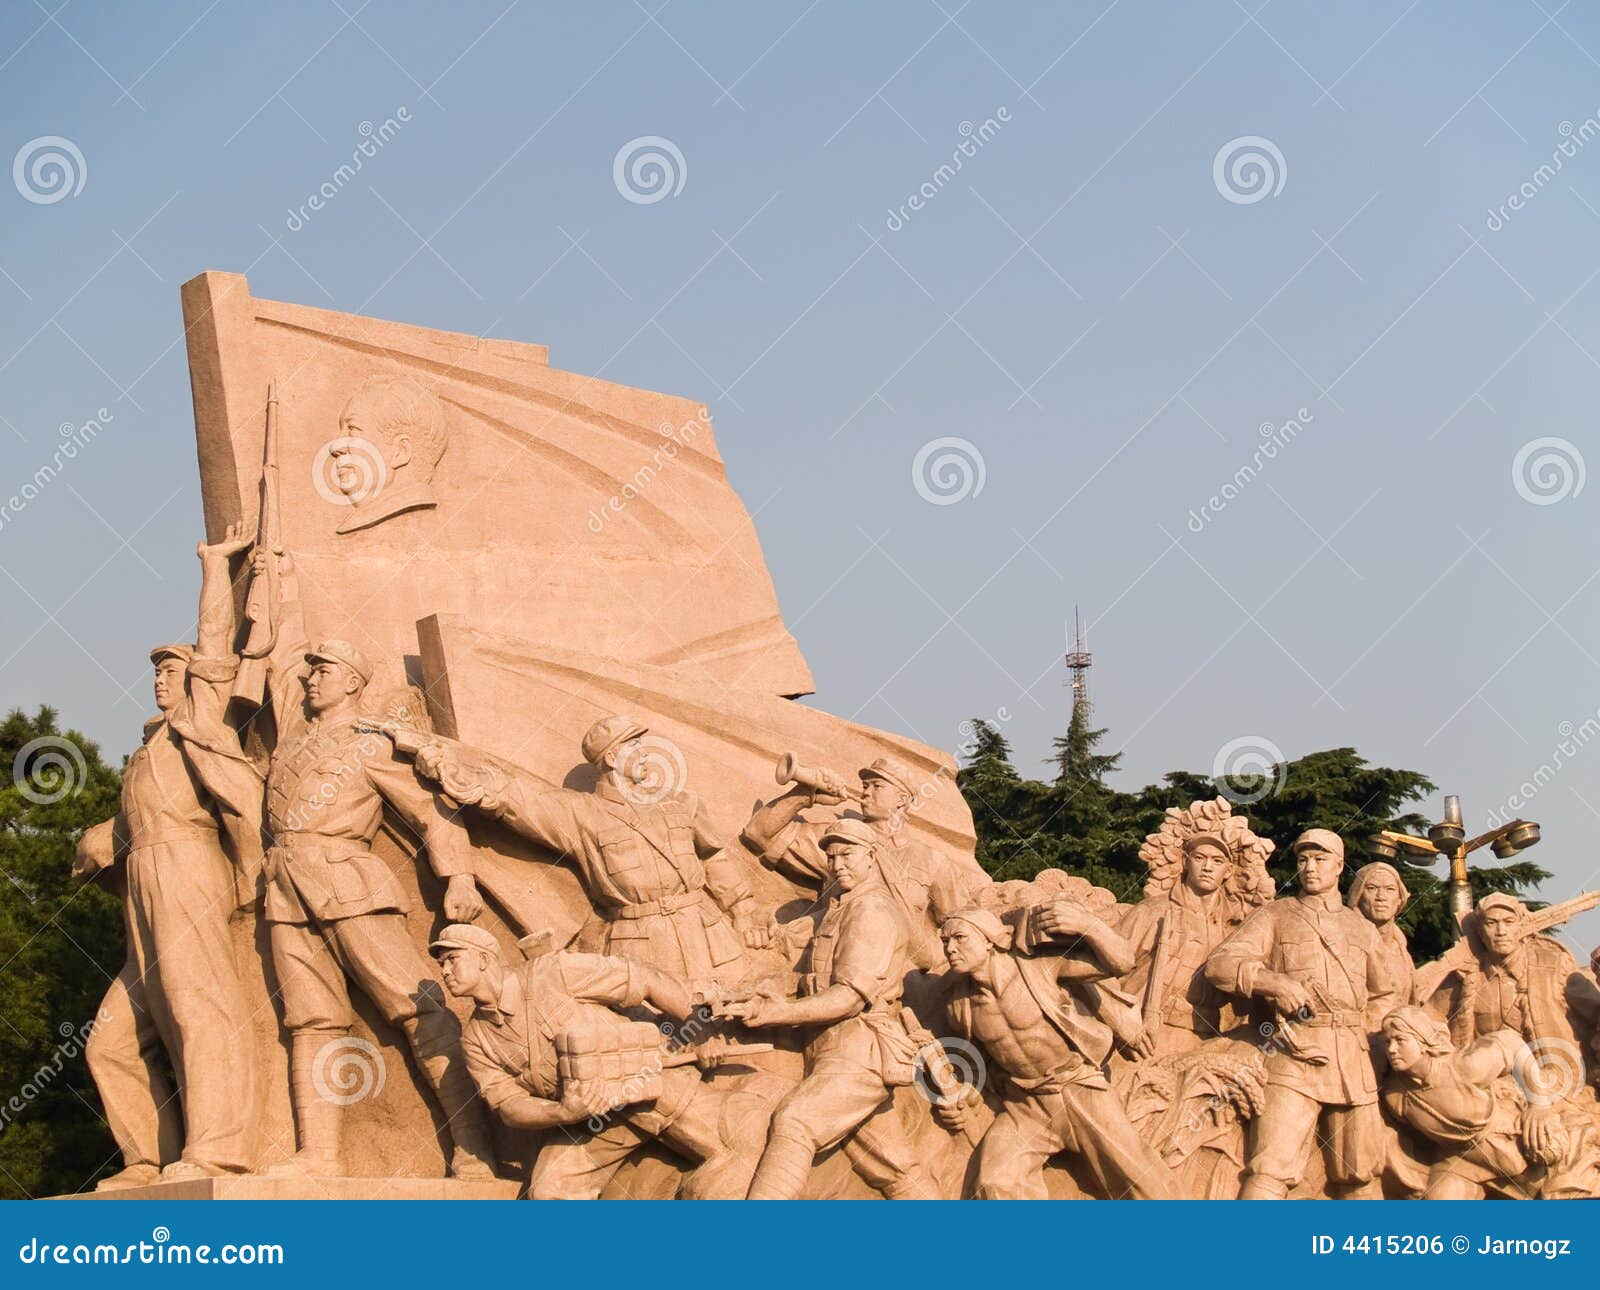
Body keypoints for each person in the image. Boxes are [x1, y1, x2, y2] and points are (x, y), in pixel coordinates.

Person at [251, 550, 495, 1179]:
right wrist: (272, 575)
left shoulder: (372, 739)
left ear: (354, 680)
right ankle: (320, 1155)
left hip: (350, 884)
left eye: (325, 670)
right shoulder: (292, 739)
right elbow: (276, 655)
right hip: (286, 887)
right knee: (311, 1021)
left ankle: (473, 1146)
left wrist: (459, 873)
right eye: (311, 670)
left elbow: (429, 810)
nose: (312, 679)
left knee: (420, 1007)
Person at [77, 524, 265, 1188]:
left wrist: (216, 568)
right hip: (142, 886)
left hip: (189, 869)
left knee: (199, 1007)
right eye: (157, 670)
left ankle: (220, 1149)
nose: (162, 679)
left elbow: (216, 643)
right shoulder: (145, 750)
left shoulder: (197, 724)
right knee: (111, 1042)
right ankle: (149, 1158)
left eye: (172, 669)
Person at [403, 714, 768, 980]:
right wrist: (449, 768)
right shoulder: (580, 814)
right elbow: (514, 798)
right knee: (661, 1035)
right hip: (641, 940)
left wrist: (743, 906)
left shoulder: (681, 803)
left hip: (707, 932)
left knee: (735, 1022)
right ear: (610, 758)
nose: (645, 752)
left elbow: (714, 854)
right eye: (634, 746)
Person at [432, 924, 768, 1199]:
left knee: (741, 1150)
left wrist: (701, 1031)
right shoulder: (476, 1039)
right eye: (441, 964)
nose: (445, 971)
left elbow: (643, 979)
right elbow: (510, 1106)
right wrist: (563, 1113)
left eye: (452, 959)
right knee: (550, 1191)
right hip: (592, 1123)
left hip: (651, 1087)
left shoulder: (552, 972)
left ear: (483, 959)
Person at [735, 819, 936, 1199]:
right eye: (831, 856)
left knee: (796, 1121)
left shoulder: (872, 911)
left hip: (858, 1051)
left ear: (872, 856)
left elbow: (847, 998)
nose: (837, 863)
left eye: (847, 854)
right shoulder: (840, 907)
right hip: (827, 1045)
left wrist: (776, 1013)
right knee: (895, 1167)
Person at [1205, 829, 1398, 1199]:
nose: (1310, 868)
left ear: (1339, 866)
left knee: (1361, 1176)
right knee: (1270, 1170)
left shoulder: (1361, 928)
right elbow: (1220, 966)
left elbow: (1385, 994)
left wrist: (1368, 1043)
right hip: (1292, 1055)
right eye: (1303, 859)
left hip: (1353, 1064)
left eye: (1320, 859)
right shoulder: (1276, 915)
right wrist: (1273, 983)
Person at [936, 908, 1180, 1199]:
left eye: (960, 938)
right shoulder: (959, 1006)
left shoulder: (1039, 967)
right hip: (1026, 1105)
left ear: (989, 940)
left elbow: (1120, 964)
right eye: (945, 941)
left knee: (1140, 1178)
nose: (950, 948)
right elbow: (978, 1065)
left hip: (1080, 1090)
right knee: (993, 1182)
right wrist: (959, 1097)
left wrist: (1090, 925)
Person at [741, 756, 989, 970]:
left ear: (901, 798)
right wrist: (806, 794)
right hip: (837, 966)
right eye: (864, 786)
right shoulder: (837, 841)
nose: (866, 792)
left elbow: (959, 921)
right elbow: (759, 834)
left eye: (876, 786)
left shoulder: (932, 860)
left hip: (903, 976)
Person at [1379, 1005, 1600, 1199]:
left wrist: (1539, 1104)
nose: (1392, 1050)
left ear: (1423, 1041)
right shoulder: (1395, 1096)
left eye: (1400, 1041)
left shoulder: (1464, 1067)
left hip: (1518, 1142)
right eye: (1388, 1042)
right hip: (1461, 1162)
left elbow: (1511, 1044)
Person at [1117, 834, 1250, 1055]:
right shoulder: (1153, 911)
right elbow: (1106, 969)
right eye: (1200, 858)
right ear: (1185, 862)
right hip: (1147, 1032)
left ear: (1228, 871)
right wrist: (1120, 1023)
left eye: (1217, 861)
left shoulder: (1232, 928)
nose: (1207, 867)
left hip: (1204, 1038)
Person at [1346, 862, 1415, 1010]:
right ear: (1358, 896)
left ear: (1399, 900)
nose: (1381, 897)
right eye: (1371, 888)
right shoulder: (1346, 942)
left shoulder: (1401, 948)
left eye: (1390, 889)